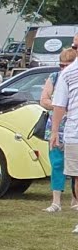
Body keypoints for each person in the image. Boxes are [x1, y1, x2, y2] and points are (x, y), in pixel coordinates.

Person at [41, 47, 78, 212]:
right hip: (57, 127)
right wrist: (59, 106)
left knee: (74, 168)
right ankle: (56, 201)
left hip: (73, 127)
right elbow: (44, 100)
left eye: (67, 65)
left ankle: (74, 201)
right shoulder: (55, 77)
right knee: (56, 163)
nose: (63, 69)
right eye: (61, 65)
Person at [50, 49, 78, 230]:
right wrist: (54, 131)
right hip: (73, 131)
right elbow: (58, 104)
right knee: (74, 175)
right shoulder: (66, 74)